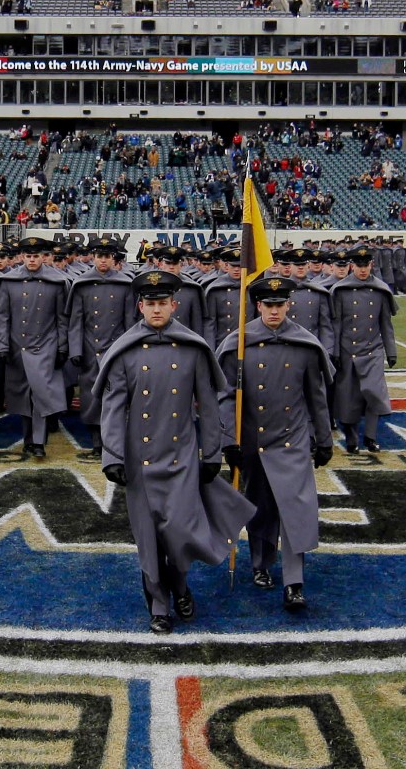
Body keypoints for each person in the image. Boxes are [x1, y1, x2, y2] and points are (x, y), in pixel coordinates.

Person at [97, 270, 254, 635]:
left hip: (181, 457)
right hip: (139, 460)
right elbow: (113, 406)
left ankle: (180, 585)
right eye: (150, 303)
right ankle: (159, 604)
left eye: (162, 303)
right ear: (140, 306)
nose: (156, 310)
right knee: (149, 538)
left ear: (174, 305)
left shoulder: (193, 349)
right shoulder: (125, 351)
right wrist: (113, 456)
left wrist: (212, 452)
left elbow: (209, 406)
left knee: (180, 532)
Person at [218, 277, 333, 611]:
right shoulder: (239, 344)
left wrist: (324, 439)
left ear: (288, 305)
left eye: (279, 305)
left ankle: (294, 582)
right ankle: (260, 564)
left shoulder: (305, 344)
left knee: (296, 509)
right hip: (253, 439)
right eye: (268, 305)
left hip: (291, 438)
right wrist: (229, 440)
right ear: (258, 306)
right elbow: (226, 396)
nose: (274, 311)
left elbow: (316, 396)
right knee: (260, 507)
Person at [0, 237, 69, 457]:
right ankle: (28, 439)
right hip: (17, 346)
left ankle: (38, 442)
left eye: (36, 256)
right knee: (23, 395)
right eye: (28, 256)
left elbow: (62, 319)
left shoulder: (56, 282)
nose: (32, 260)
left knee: (41, 393)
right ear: (22, 257)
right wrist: (2, 345)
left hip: (45, 345)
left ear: (43, 257)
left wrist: (62, 347)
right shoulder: (8, 281)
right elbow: (2, 316)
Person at [64, 239, 138, 458]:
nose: (103, 260)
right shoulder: (82, 284)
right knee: (91, 398)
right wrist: (75, 350)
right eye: (99, 256)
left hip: (115, 349)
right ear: (94, 258)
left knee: (115, 396)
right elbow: (75, 321)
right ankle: (96, 442)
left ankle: (112, 442)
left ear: (113, 259)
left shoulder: (125, 284)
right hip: (90, 348)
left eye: (107, 256)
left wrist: (129, 349)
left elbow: (130, 322)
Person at [331, 245, 398, 454]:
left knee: (373, 393)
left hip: (372, 350)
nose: (362, 269)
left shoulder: (380, 290)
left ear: (371, 265)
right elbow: (336, 324)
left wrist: (391, 351)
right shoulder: (340, 290)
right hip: (348, 350)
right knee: (349, 397)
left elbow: (385, 323)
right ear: (352, 266)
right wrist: (335, 352)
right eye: (358, 265)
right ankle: (352, 439)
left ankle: (370, 436)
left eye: (365, 265)